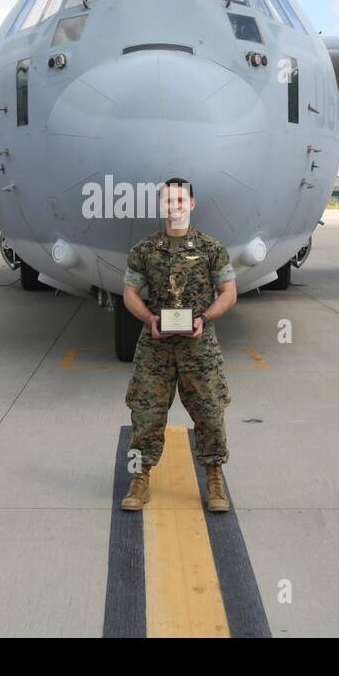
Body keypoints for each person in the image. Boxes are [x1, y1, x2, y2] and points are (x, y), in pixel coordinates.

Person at [120, 178, 238, 513]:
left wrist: (204, 319)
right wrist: (149, 320)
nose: (174, 205)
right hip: (155, 346)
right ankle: (140, 478)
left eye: (180, 199)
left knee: (210, 412)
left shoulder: (211, 248)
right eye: (168, 200)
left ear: (192, 204)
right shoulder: (144, 250)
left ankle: (214, 477)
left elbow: (229, 293)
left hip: (199, 347)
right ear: (161, 206)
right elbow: (129, 294)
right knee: (146, 414)